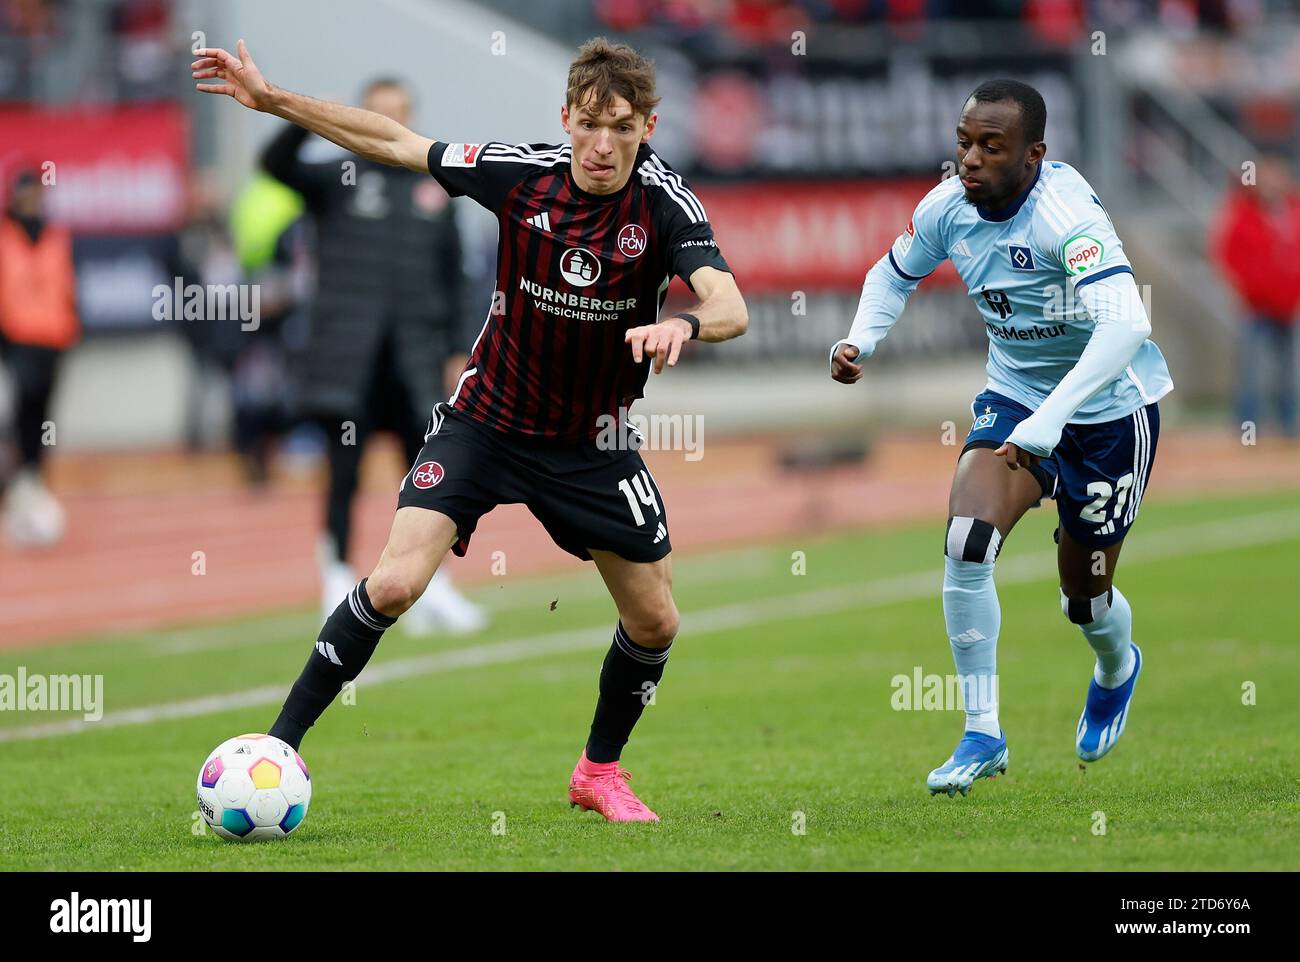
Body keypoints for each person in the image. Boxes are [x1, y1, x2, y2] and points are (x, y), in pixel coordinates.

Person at [192, 36, 748, 821]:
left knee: (655, 617)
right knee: (391, 582)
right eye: (589, 123)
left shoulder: (664, 205)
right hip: (485, 424)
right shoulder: (523, 174)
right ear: (566, 117)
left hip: (592, 445)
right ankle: (278, 748)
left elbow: (730, 304)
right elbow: (394, 141)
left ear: (647, 128)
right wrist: (275, 98)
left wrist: (685, 327)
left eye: (621, 127)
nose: (601, 143)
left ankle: (597, 772)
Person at [831, 80, 1174, 796]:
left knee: (1085, 596)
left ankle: (1117, 668)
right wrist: (860, 337)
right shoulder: (946, 208)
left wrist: (1056, 419)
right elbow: (892, 276)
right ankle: (982, 732)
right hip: (1016, 397)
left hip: (1110, 411)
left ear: (1034, 154)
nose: (971, 160)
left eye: (992, 146)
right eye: (964, 143)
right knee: (966, 541)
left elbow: (1126, 326)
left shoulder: (1065, 216)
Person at [259, 76, 485, 631]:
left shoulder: (436, 187)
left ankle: (432, 584)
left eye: (398, 114)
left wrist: (459, 348)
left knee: (431, 477)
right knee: (344, 474)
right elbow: (272, 166)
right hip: (350, 361)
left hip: (414, 362)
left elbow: (458, 280)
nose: (388, 125)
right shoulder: (335, 177)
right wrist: (300, 111)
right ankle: (336, 575)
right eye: (377, 114)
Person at [0, 167, 80, 547]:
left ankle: (32, 482)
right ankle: (17, 485)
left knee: (42, 420)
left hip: (53, 339)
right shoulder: (6, 236)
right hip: (16, 341)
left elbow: (69, 287)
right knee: (18, 416)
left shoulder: (57, 235)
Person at [1212, 152, 1300, 439]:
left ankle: (1288, 423)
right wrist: (1243, 286)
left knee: (1288, 368)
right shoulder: (1244, 211)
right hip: (1255, 305)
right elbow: (1227, 252)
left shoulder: (1293, 210)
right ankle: (1247, 423)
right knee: (1251, 367)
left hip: (1287, 305)